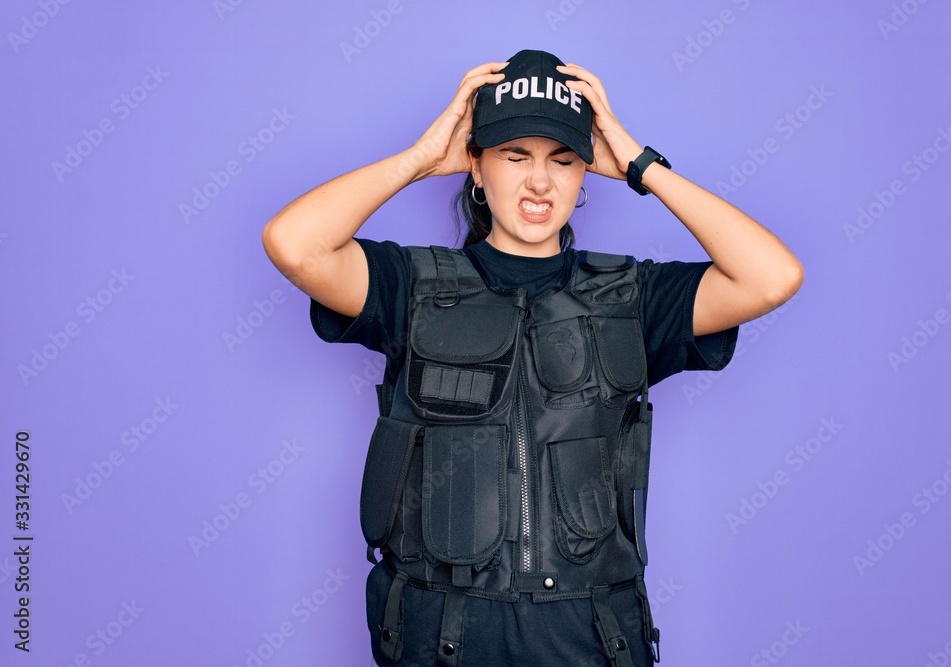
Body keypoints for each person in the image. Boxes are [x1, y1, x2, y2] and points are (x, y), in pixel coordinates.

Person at [262, 49, 803, 667]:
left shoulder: (632, 296)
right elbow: (294, 243)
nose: (540, 182)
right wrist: (417, 160)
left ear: (585, 174)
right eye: (514, 157)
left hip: (590, 633)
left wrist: (638, 163)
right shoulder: (408, 286)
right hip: (440, 635)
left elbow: (772, 275)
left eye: (563, 161)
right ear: (477, 167)